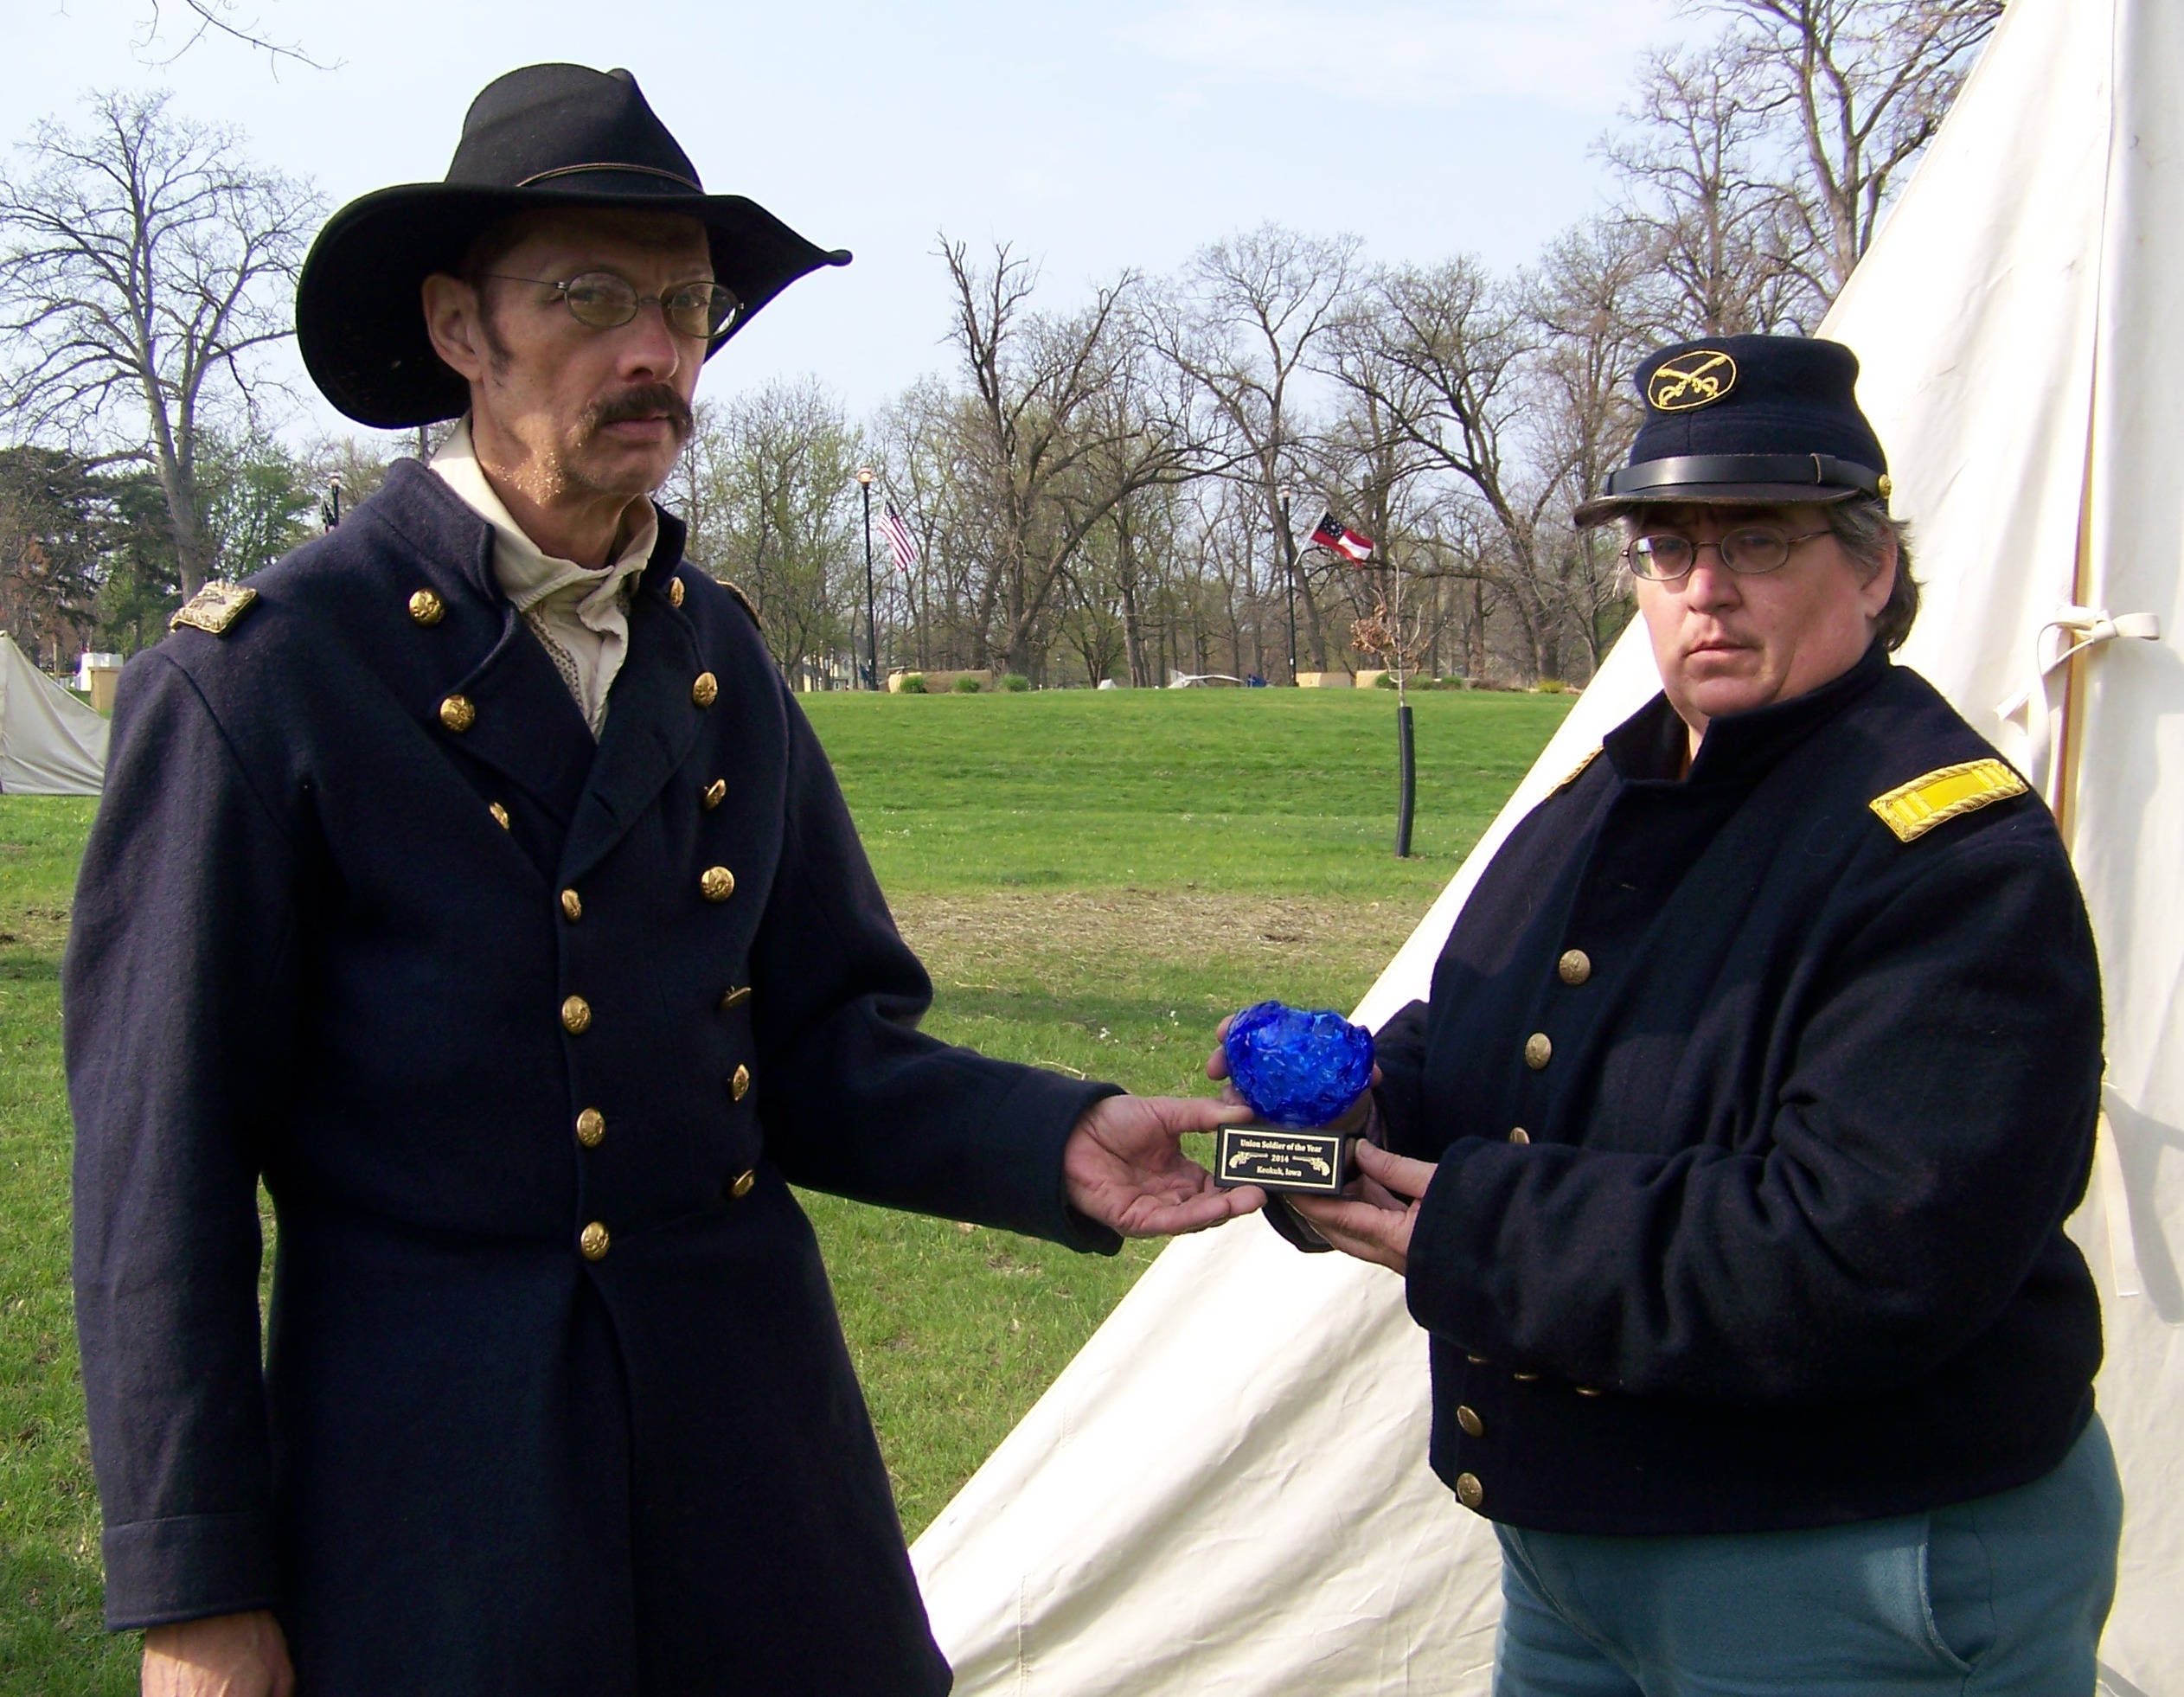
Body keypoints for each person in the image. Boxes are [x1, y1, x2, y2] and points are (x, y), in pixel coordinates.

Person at [67, 64, 1259, 1697]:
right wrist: (198, 1587)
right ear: (459, 327)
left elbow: (822, 1040)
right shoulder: (265, 678)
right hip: (435, 1492)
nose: (657, 351)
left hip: (755, 1462)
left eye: (686, 305)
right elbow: (162, 1182)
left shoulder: (719, 656)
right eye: (591, 296)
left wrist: (1054, 1137)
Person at [1218, 335, 2121, 1694]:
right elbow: (1477, 1055)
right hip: (1575, 1551)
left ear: (1870, 568)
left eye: (1755, 540)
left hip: (1844, 1562)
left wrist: (1462, 1221)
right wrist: (1327, 1121)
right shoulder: (1605, 797)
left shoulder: (1944, 853)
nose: (1704, 589)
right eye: (1663, 544)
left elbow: (1855, 1253)